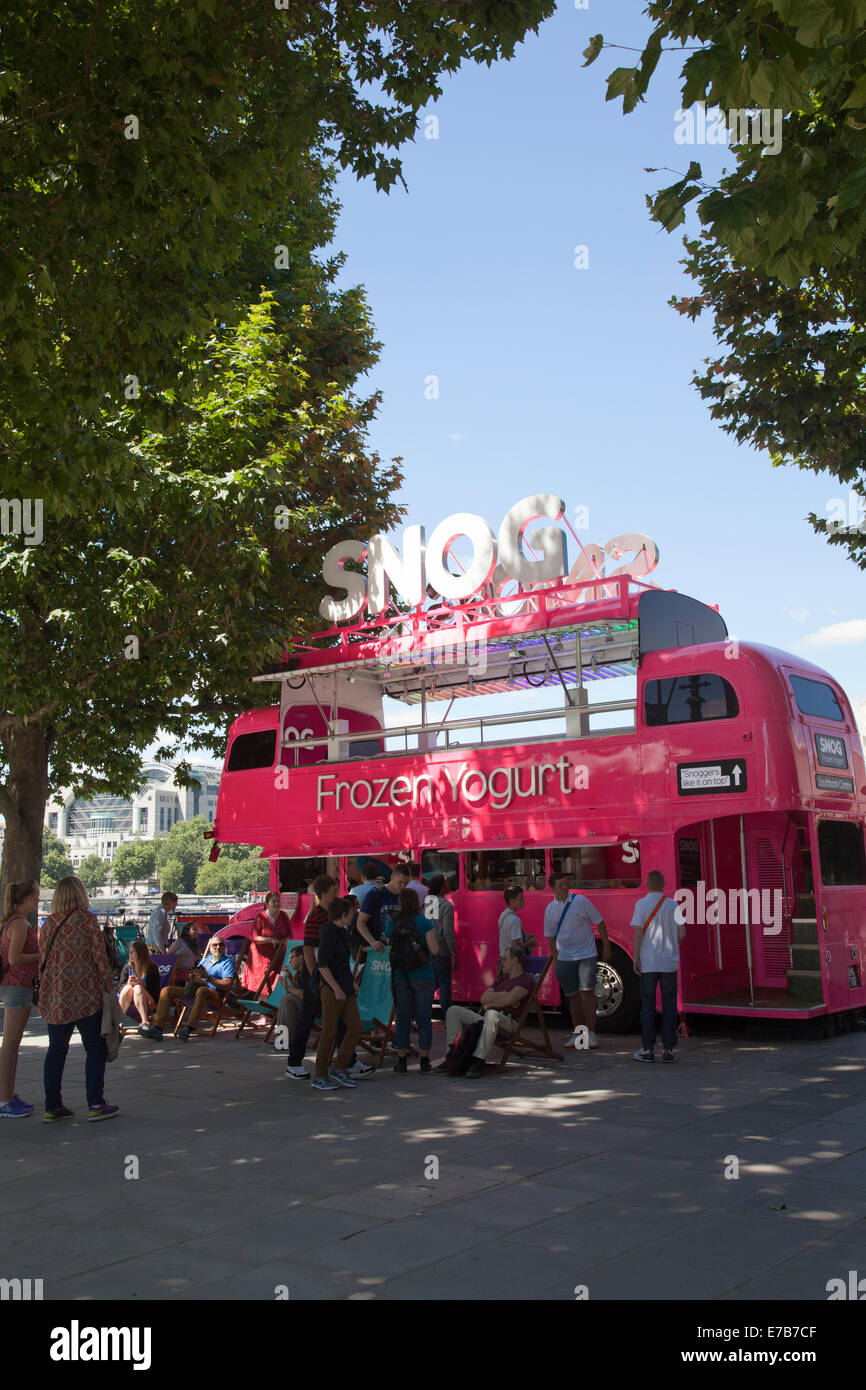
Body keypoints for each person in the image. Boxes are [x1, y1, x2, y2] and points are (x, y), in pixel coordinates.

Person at [39, 876, 119, 1123]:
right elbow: (99, 957)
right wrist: (109, 985)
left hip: (56, 997)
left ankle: (53, 1105)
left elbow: (43, 959)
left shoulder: (48, 924)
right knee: (94, 1048)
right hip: (86, 995)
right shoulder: (87, 920)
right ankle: (95, 1103)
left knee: (56, 1050)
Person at [435, 945, 535, 1078]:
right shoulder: (502, 979)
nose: (501, 962)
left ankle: (478, 1060)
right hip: (489, 1020)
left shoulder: (526, 980)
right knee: (453, 1011)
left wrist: (494, 1002)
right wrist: (504, 995)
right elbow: (483, 999)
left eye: (505, 959)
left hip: (508, 1022)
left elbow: (509, 999)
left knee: (491, 1013)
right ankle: (452, 1057)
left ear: (515, 960)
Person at [544, 872, 611, 1050]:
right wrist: (557, 961)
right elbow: (550, 938)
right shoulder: (550, 909)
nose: (565, 887)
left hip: (586, 955)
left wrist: (606, 947)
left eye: (567, 883)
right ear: (553, 888)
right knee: (572, 997)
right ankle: (579, 1034)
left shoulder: (581, 901)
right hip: (565, 958)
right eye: (561, 885)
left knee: (587, 994)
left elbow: (600, 922)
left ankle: (592, 1034)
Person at [631, 870, 687, 1063]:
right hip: (668, 962)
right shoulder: (673, 905)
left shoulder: (641, 904)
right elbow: (683, 931)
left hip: (648, 962)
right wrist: (672, 943)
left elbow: (638, 931)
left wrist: (636, 956)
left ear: (647, 884)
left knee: (647, 1005)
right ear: (663, 884)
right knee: (669, 1005)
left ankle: (647, 1048)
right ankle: (668, 1050)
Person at [311, 897, 364, 1091]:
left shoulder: (342, 931)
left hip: (344, 986)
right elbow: (323, 965)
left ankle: (340, 1066)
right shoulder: (329, 933)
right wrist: (336, 988)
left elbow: (342, 963)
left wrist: (350, 983)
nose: (353, 915)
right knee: (330, 1031)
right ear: (343, 915)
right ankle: (320, 1072)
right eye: (350, 913)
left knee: (356, 1027)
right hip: (332, 988)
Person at [141, 935, 236, 1042]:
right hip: (195, 989)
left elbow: (227, 984)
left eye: (221, 945)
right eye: (215, 945)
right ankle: (158, 1028)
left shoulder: (227, 963)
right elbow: (195, 973)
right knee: (166, 991)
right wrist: (193, 975)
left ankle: (189, 1027)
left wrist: (208, 978)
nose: (218, 947)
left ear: (224, 947)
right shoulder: (206, 960)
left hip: (215, 994)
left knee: (202, 990)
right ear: (210, 948)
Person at [0, 879, 41, 1118]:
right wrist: (41, 954)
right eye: (35, 895)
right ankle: (4, 1099)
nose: (37, 900)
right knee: (10, 1046)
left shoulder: (11, 923)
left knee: (12, 1046)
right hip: (17, 985)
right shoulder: (20, 925)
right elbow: (15, 958)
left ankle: (9, 1095)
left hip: (16, 985)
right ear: (25, 899)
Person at [391, 888, 439, 1073]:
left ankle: (401, 1059)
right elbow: (434, 949)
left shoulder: (392, 922)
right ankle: (424, 1059)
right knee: (424, 1018)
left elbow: (391, 945)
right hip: (423, 974)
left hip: (400, 975)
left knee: (402, 1017)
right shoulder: (424, 921)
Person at [242, 891, 292, 996]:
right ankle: (264, 1010)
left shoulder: (283, 916)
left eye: (278, 901)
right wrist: (270, 940)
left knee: (277, 984)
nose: (277, 904)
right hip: (261, 958)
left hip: (278, 955)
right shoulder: (261, 917)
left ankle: (274, 1008)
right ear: (267, 904)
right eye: (273, 901)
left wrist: (283, 942)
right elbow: (254, 937)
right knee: (264, 986)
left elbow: (289, 935)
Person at [424, 873, 457, 1019]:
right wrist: (453, 953)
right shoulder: (447, 906)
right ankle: (448, 1018)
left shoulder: (427, 902)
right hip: (441, 949)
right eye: (447, 883)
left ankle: (420, 1012)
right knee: (444, 986)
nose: (449, 885)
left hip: (428, 948)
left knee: (432, 983)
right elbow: (448, 932)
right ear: (443, 887)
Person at [356, 863, 410, 946]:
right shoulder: (375, 893)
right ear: (392, 877)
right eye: (400, 882)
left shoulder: (406, 896)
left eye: (406, 883)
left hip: (400, 948)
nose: (403, 886)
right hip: (381, 949)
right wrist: (373, 942)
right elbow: (360, 922)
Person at [119, 941, 161, 1031]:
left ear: (140, 953)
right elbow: (120, 987)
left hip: (149, 1001)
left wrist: (142, 985)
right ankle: (118, 1021)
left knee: (138, 988)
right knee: (127, 988)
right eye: (129, 952)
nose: (130, 954)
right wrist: (128, 983)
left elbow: (156, 991)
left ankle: (145, 1022)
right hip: (129, 1000)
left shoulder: (152, 968)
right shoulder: (127, 967)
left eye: (132, 952)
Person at [275, 945, 305, 1046]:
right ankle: (283, 1038)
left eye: (292, 957)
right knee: (286, 998)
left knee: (287, 999)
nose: (289, 960)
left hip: (314, 1004)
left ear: (301, 957)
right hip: (305, 1003)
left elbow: (303, 994)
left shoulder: (308, 972)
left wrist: (287, 987)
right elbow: (298, 990)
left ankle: (287, 1039)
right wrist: (291, 979)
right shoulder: (300, 973)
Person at [497, 885, 537, 957]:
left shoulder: (503, 915)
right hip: (513, 961)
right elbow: (516, 945)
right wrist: (529, 943)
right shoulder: (515, 920)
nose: (523, 901)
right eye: (521, 898)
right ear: (511, 901)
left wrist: (525, 938)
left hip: (504, 959)